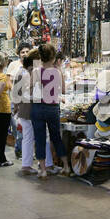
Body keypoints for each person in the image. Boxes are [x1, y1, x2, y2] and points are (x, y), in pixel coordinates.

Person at [31, 44, 67, 179]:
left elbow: (30, 88)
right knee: (56, 137)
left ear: (40, 57)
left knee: (39, 138)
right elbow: (63, 90)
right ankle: (66, 166)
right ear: (53, 57)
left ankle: (43, 170)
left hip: (38, 107)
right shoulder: (58, 72)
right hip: (53, 107)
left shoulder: (36, 71)